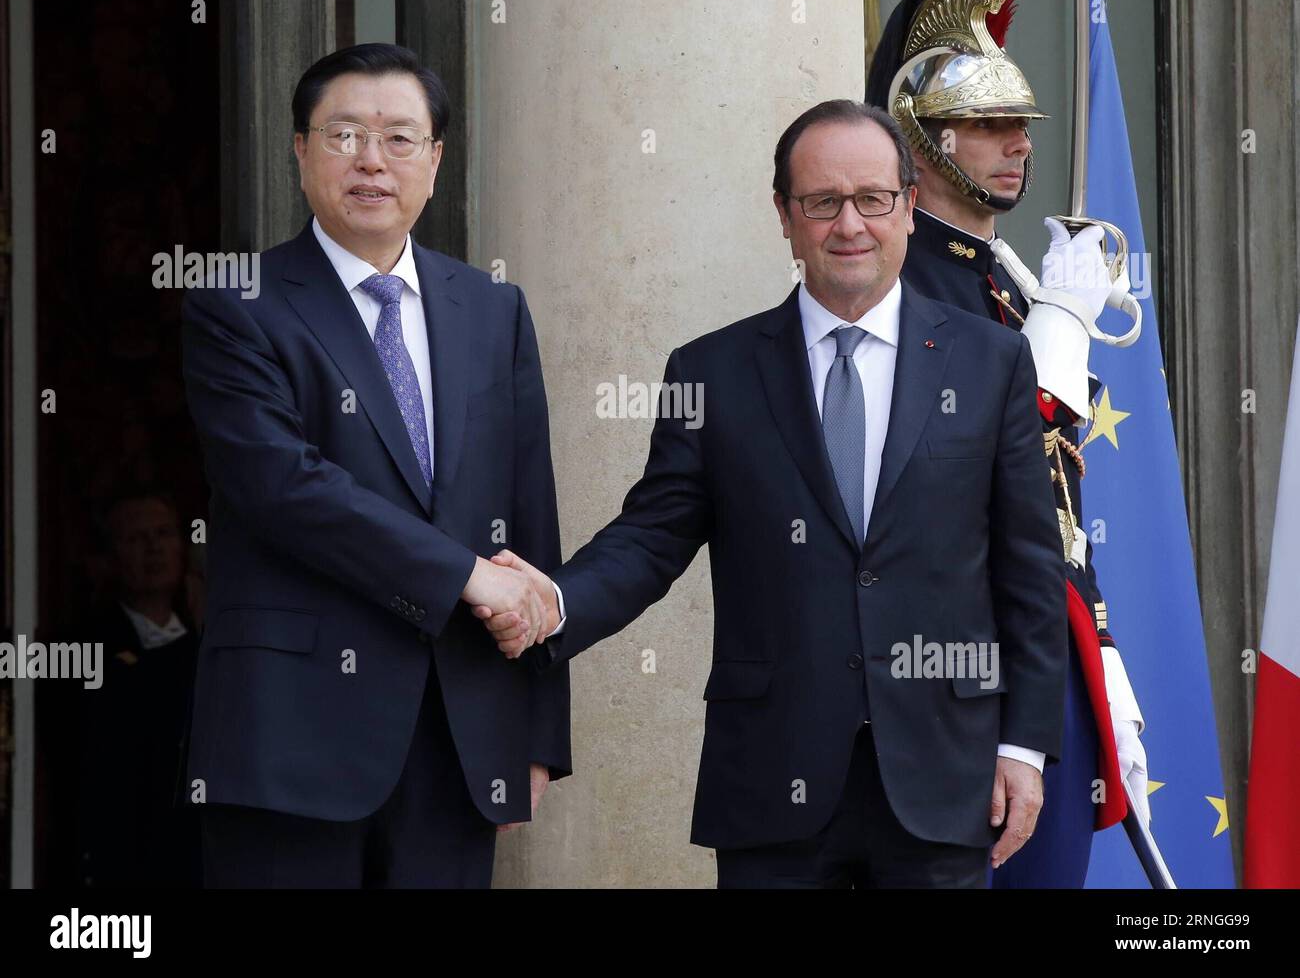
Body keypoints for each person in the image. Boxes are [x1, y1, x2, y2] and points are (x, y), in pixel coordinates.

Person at [476, 101, 1066, 888]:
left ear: (910, 206)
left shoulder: (991, 363)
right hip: (774, 777)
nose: (849, 224)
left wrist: (1022, 747)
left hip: (944, 775)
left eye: (873, 199)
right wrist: (554, 599)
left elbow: (1028, 568)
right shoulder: (712, 372)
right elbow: (651, 538)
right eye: (821, 202)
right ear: (784, 216)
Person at [180, 43, 570, 888]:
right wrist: (467, 574)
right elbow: (282, 487)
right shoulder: (236, 303)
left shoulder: (492, 309)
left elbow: (528, 521)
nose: (370, 160)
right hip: (289, 739)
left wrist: (537, 732)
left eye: (399, 138)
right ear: (299, 150)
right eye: (344, 134)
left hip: (460, 735)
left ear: (435, 159)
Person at [864, 0, 1149, 888]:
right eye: (987, 125)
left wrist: (1098, 649)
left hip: (1049, 639)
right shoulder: (907, 291)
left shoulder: (1001, 277)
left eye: (1018, 123)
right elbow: (998, 452)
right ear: (922, 138)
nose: (1016, 146)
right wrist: (1063, 324)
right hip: (961, 667)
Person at [75, 487, 200, 888]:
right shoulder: (88, 647)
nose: (153, 549)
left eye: (163, 534)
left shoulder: (208, 647)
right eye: (135, 538)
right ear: (109, 559)